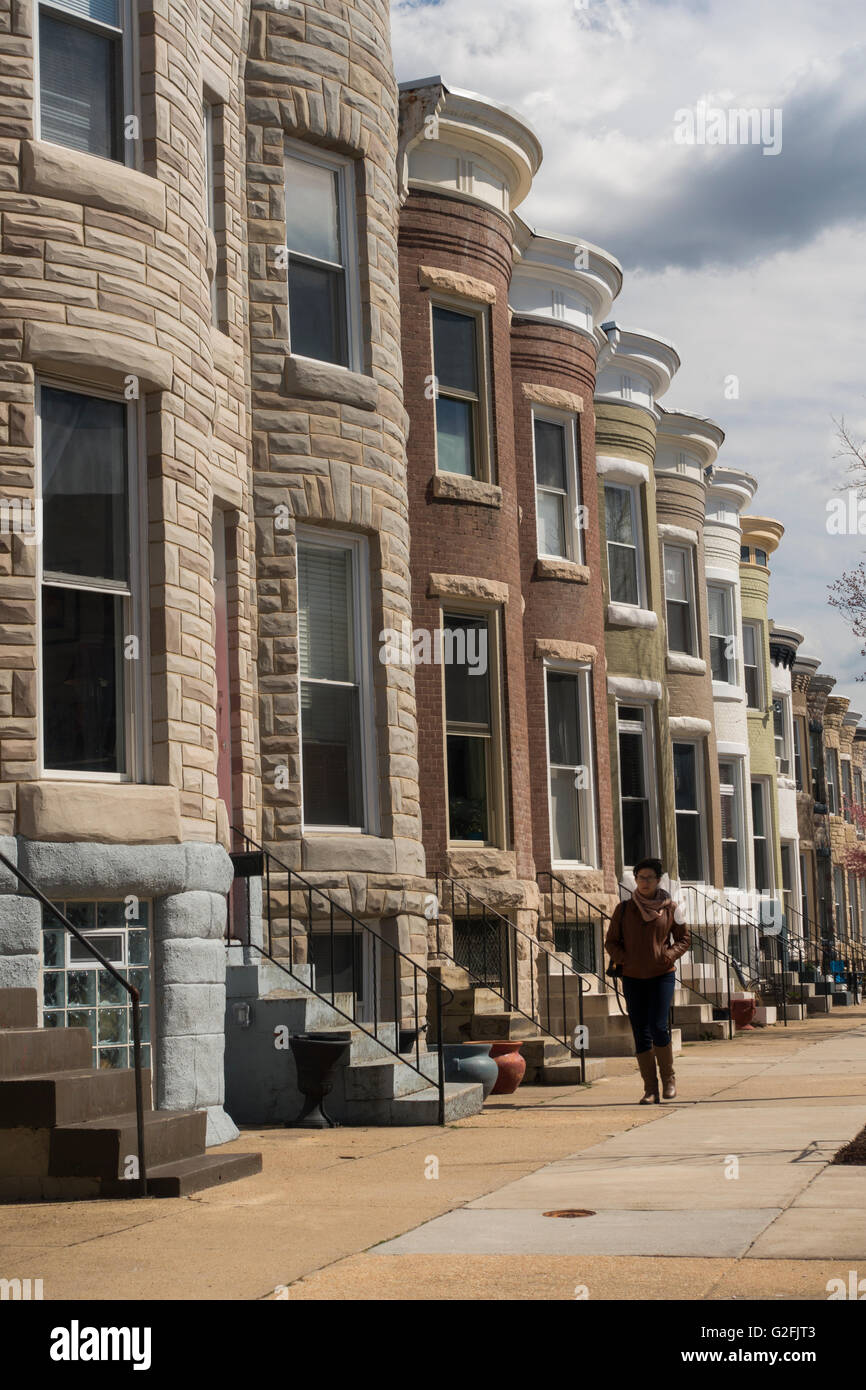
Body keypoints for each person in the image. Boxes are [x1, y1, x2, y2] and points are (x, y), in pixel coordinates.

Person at [604, 857, 690, 1103]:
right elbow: (611, 941)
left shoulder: (672, 909)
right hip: (633, 976)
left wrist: (668, 955)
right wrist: (624, 959)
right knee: (640, 1030)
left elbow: (684, 939)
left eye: (649, 878)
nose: (644, 882)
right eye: (640, 878)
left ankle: (669, 1080)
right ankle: (650, 1089)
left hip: (662, 975)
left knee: (659, 1027)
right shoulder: (623, 909)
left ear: (658, 880)